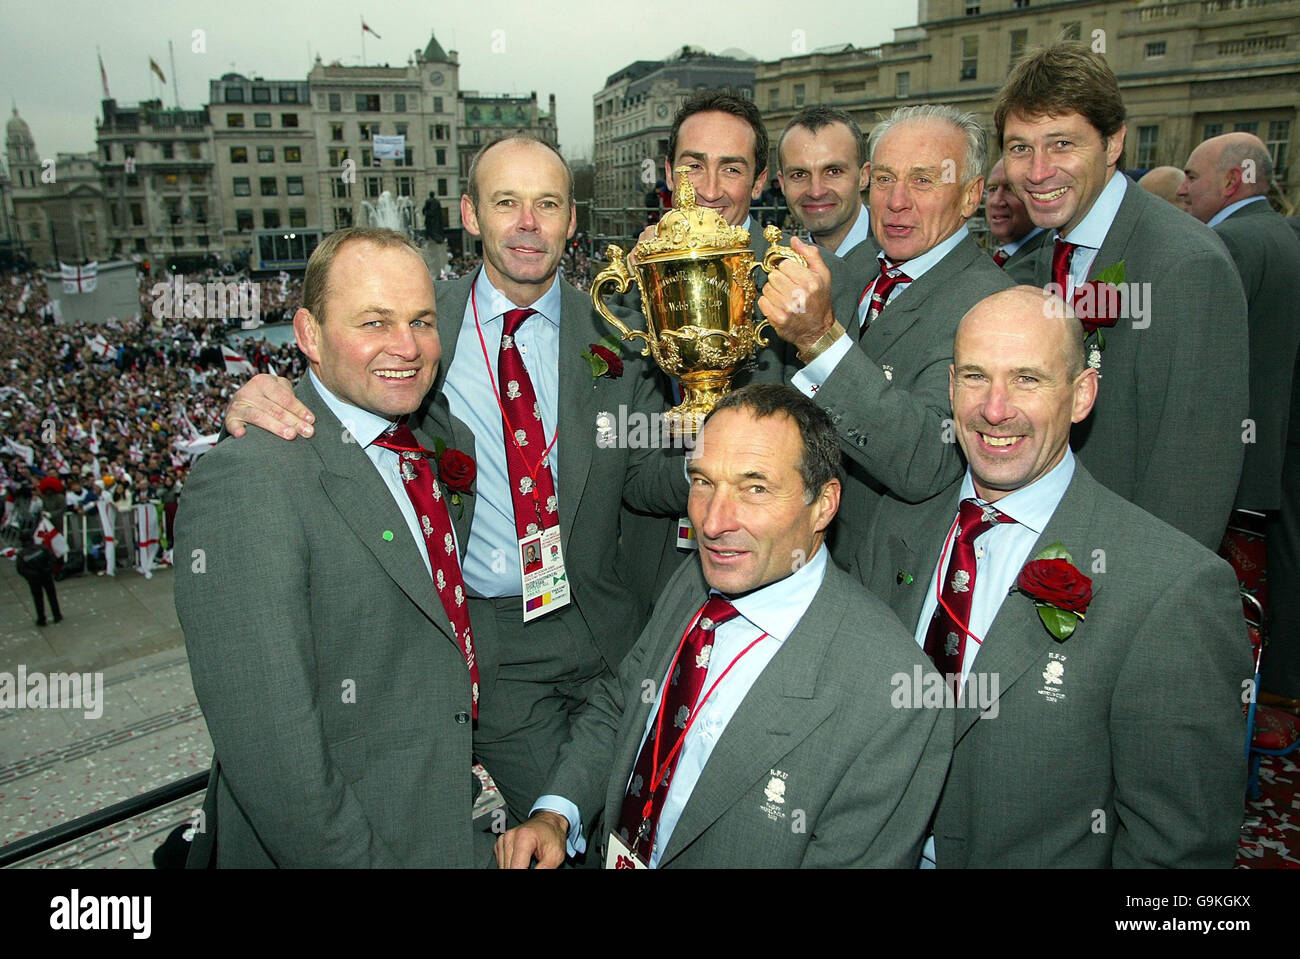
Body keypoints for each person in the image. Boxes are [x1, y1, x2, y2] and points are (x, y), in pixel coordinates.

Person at [220, 137, 687, 824]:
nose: (528, 222)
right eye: (507, 202)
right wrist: (263, 398)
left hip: (610, 629)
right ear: (470, 214)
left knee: (652, 812)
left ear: (570, 221)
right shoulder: (424, 326)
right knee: (579, 824)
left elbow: (648, 477)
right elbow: (347, 384)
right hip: (497, 647)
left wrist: (724, 445)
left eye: (547, 204)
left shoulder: (619, 331)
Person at [856, 287, 1248, 867]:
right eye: (973, 376)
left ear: (1082, 395)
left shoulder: (1170, 588)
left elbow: (1180, 850)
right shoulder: (899, 519)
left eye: (1027, 379)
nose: (994, 409)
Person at [496, 384, 951, 869]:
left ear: (823, 504)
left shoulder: (894, 698)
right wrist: (556, 813)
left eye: (755, 488)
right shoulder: (694, 582)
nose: (713, 522)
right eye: (703, 481)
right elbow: (624, 703)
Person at [176, 227, 493, 867]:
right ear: (310, 335)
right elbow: (273, 751)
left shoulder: (436, 435)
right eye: (373, 322)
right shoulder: (248, 480)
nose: (406, 348)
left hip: (438, 823)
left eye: (421, 321)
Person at [995, 41, 1248, 550]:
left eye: (1062, 144)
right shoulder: (1041, 258)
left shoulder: (1186, 267)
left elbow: (1192, 485)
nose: (1038, 171)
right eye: (1021, 147)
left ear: (1113, 145)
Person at [758, 104, 1015, 562]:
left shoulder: (993, 307)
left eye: (923, 180)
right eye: (884, 179)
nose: (897, 201)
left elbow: (926, 461)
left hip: (894, 580)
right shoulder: (847, 271)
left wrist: (820, 340)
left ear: (971, 196)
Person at [1180, 131, 1300, 700]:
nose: (1185, 189)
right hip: (1276, 443)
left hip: (1233, 454)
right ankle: (1278, 683)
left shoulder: (1226, 244)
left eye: (1193, 178)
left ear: (1232, 181)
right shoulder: (1282, 234)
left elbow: (1199, 354)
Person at [776, 106, 879, 271]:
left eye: (834, 172)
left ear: (864, 177)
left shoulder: (904, 254)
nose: (816, 192)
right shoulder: (775, 267)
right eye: (799, 175)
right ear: (782, 184)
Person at [984, 157, 1044, 275]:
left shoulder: (1040, 265)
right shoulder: (1010, 257)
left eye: (1010, 189)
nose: (996, 201)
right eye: (992, 189)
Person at [17, 530, 61, 627]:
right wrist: (47, 570)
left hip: (34, 580)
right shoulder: (42, 548)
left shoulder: (21, 554)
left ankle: (41, 619)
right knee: (52, 596)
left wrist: (32, 575)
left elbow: (21, 569)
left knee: (38, 599)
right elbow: (52, 559)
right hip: (46, 576)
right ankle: (57, 615)